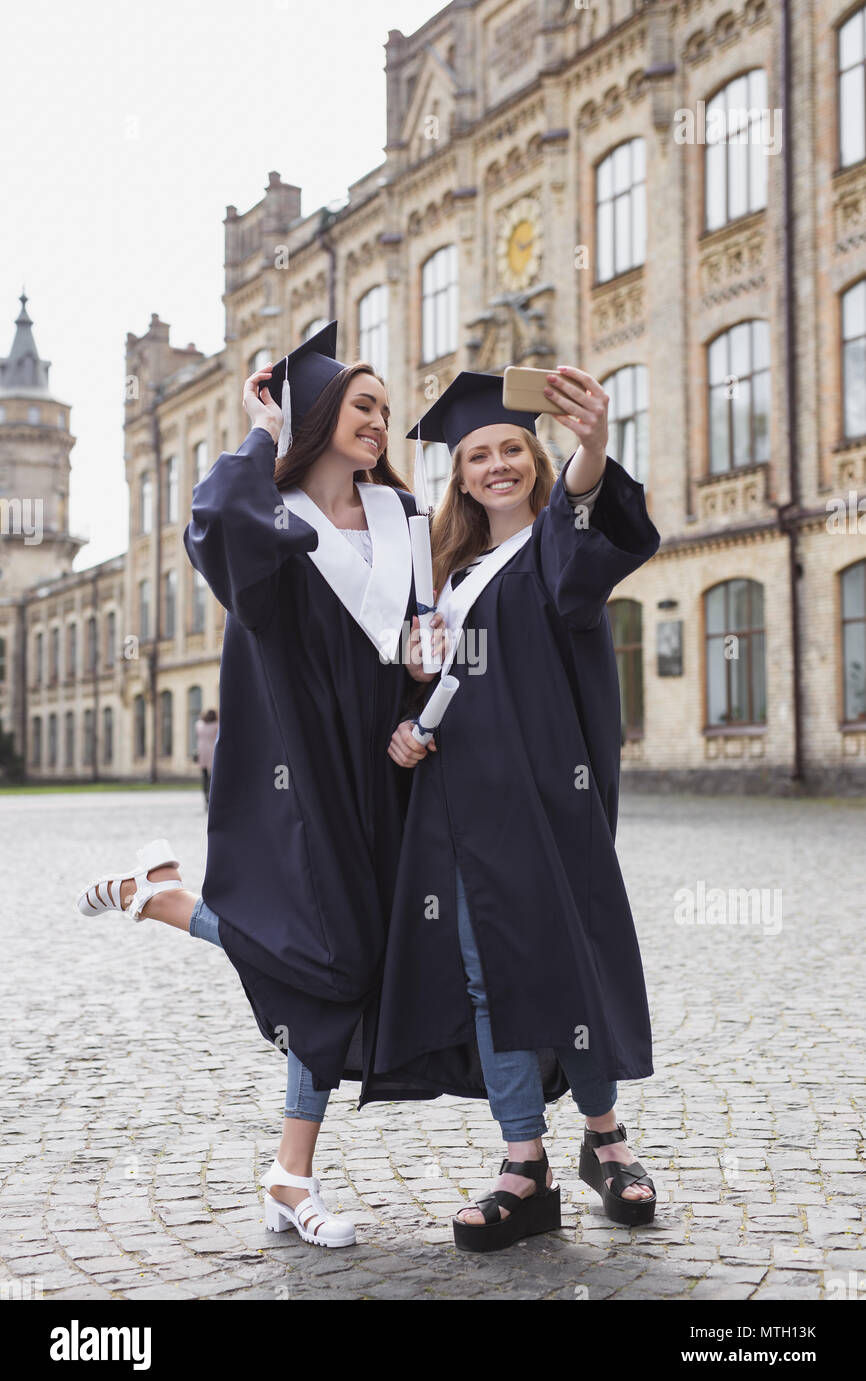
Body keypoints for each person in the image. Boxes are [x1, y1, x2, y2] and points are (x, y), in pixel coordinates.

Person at [75, 323, 443, 1248]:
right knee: (331, 961)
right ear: (319, 413)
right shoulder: (274, 524)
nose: (380, 421)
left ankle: (288, 1173)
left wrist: (424, 681)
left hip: (383, 771)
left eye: (387, 412)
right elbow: (216, 522)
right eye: (364, 404)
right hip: (295, 773)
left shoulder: (407, 522)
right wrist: (262, 431)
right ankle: (288, 1175)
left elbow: (424, 637)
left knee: (346, 963)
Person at [374, 367, 661, 1252]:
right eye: (476, 456)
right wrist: (409, 724)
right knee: (483, 973)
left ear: (535, 462)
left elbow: (585, 520)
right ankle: (523, 1165)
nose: (496, 465)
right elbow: (445, 689)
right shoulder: (449, 577)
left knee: (564, 956)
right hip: (457, 805)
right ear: (458, 477)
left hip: (543, 800)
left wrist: (595, 445)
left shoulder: (550, 547)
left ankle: (606, 1140)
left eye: (510, 450)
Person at [194, 708, 218, 808]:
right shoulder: (216, 725)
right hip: (212, 751)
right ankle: (212, 795)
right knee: (213, 776)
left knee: (204, 776)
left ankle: (205, 795)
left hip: (202, 750)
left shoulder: (199, 725)